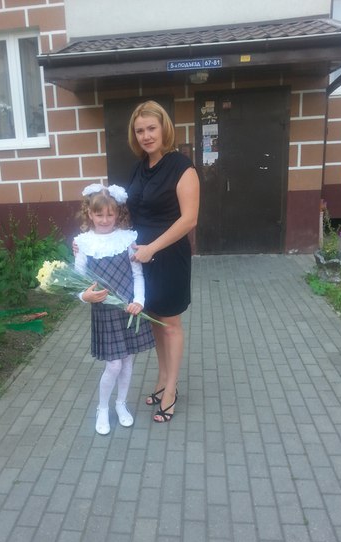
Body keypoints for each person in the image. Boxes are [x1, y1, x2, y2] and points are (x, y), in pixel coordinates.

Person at [126, 100, 200, 423]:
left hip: (168, 256)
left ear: (164, 128)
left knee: (170, 324)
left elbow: (189, 219)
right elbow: (129, 212)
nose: (146, 136)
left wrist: (152, 248)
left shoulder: (182, 167)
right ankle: (161, 379)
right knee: (154, 320)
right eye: (140, 130)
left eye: (151, 128)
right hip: (142, 257)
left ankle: (171, 390)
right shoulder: (139, 167)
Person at [74, 183, 155, 435]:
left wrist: (139, 300)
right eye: (99, 214)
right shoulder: (83, 243)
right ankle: (102, 408)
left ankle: (121, 404)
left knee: (127, 361)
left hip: (129, 310)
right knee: (114, 365)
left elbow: (137, 274)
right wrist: (84, 296)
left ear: (117, 213)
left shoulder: (127, 239)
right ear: (90, 214)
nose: (105, 219)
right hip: (105, 313)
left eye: (110, 214)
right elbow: (77, 281)